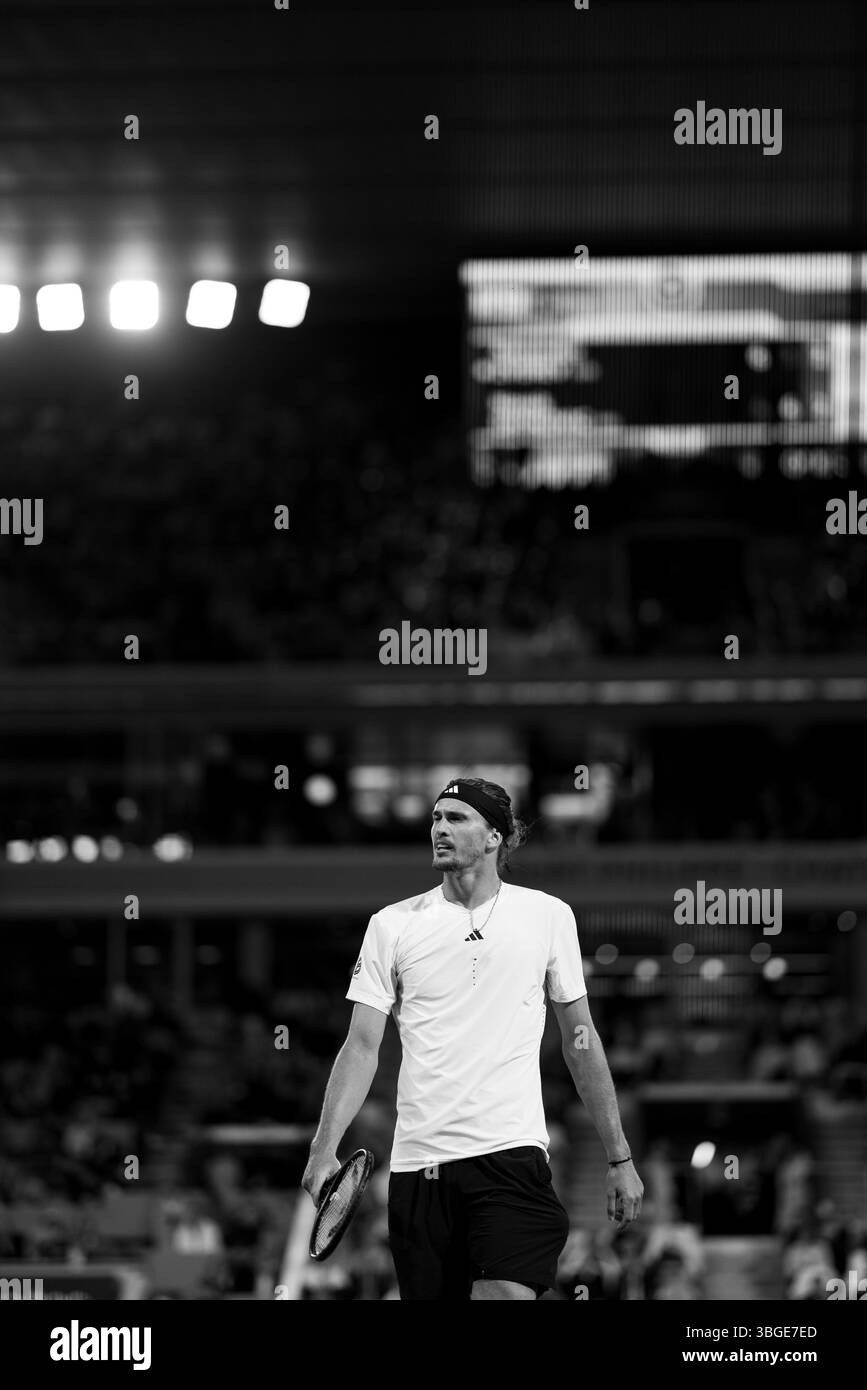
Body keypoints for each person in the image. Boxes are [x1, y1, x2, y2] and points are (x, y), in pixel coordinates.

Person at [302, 776, 643, 1300]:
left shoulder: (548, 916)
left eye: (456, 818)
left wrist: (619, 1156)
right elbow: (362, 1047)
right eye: (436, 819)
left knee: (502, 1295)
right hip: (418, 1167)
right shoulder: (391, 925)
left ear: (495, 837)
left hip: (509, 1154)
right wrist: (323, 1148)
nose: (439, 828)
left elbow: (581, 1040)